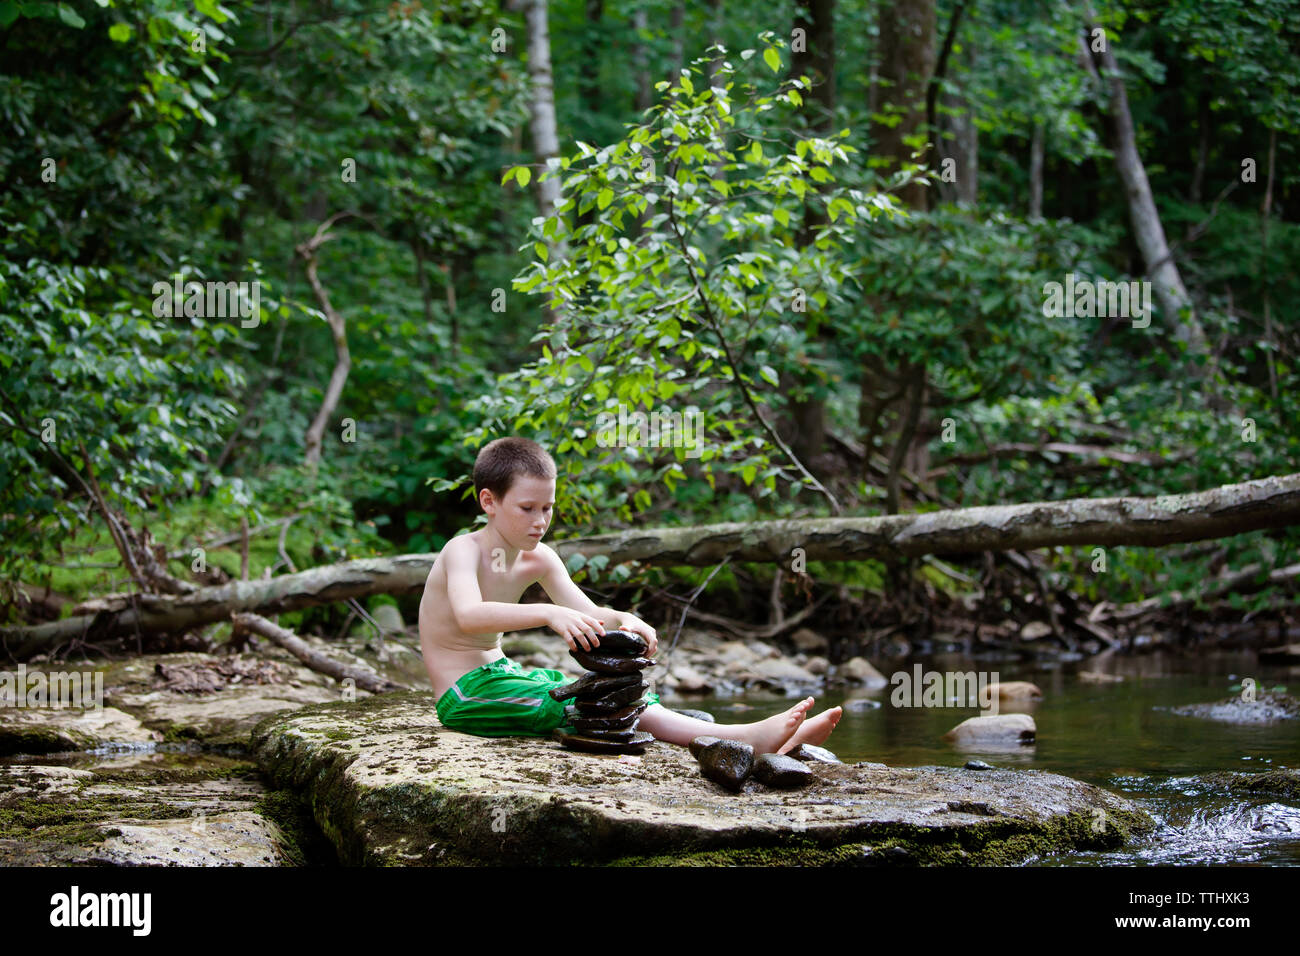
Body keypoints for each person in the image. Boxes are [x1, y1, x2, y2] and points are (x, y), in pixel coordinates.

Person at [418, 435, 842, 754]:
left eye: (547, 508)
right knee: (585, 705)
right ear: (488, 502)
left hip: (505, 675)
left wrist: (623, 619)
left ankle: (746, 738)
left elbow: (587, 613)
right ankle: (745, 738)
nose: (540, 521)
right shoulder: (463, 551)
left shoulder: (539, 558)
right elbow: (470, 615)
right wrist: (548, 613)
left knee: (617, 692)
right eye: (527, 509)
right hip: (465, 693)